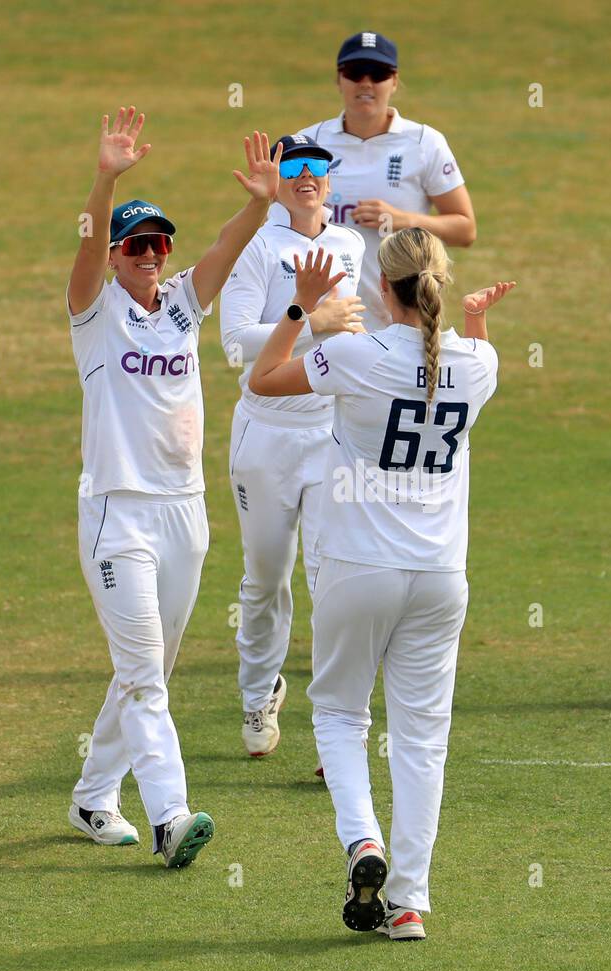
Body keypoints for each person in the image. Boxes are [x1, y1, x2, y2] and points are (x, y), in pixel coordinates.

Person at [248, 228, 514, 941]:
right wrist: (479, 321)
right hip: (440, 579)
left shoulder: (356, 355)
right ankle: (407, 903)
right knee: (423, 740)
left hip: (356, 569)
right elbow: (473, 358)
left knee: (338, 715)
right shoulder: (477, 363)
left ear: (382, 287)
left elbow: (263, 379)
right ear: (441, 284)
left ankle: (363, 839)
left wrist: (302, 309)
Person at [65, 107, 281, 866]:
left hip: (185, 513)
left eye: (159, 243)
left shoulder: (185, 304)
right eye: (138, 245)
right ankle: (170, 817)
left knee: (149, 667)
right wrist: (104, 178)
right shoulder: (95, 312)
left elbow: (226, 249)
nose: (151, 255)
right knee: (144, 674)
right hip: (117, 513)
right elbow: (88, 248)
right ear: (119, 254)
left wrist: (260, 201)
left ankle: (93, 796)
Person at [218, 134, 366, 758]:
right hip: (267, 433)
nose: (306, 177)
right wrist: (309, 318)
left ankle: (338, 718)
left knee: (334, 573)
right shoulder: (257, 246)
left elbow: (366, 325)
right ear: (277, 180)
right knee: (267, 576)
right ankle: (257, 698)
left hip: (332, 432)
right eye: (292, 168)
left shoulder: (351, 244)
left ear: (330, 179)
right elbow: (233, 343)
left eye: (316, 167)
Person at [297, 31, 476, 331]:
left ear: (394, 81)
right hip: (322, 321)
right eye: (355, 72)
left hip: (397, 322)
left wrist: (402, 219)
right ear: (339, 79)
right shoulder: (309, 143)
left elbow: (465, 229)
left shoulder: (424, 142)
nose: (366, 83)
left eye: (378, 73)